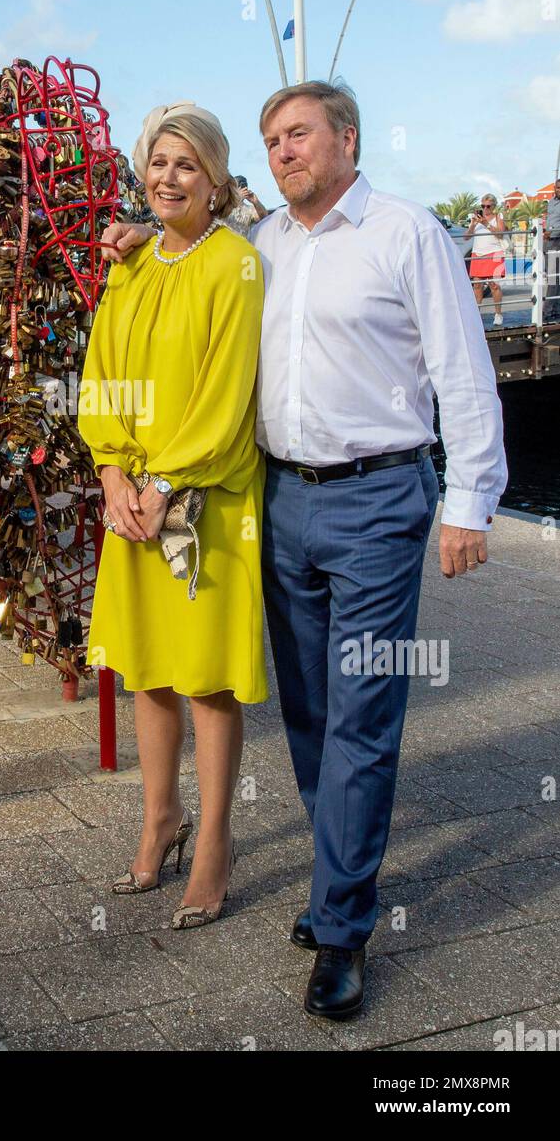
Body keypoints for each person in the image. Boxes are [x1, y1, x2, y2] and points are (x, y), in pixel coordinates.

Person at [100, 81, 507, 1019]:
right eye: (272, 140)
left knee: (364, 713)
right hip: (278, 501)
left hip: (378, 499)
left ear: (347, 139)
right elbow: (183, 236)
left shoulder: (406, 234)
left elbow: (461, 371)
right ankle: (338, 883)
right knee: (313, 715)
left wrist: (470, 503)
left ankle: (343, 927)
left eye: (299, 135)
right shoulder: (262, 246)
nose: (284, 151)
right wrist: (128, 228)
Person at [78, 102, 266, 930]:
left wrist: (165, 483)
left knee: (208, 676)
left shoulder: (236, 265)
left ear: (216, 179)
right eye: (158, 163)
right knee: (146, 664)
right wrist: (113, 473)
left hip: (209, 500)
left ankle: (216, 837)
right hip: (133, 501)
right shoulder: (133, 265)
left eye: (186, 165)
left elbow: (230, 392)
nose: (168, 177)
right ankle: (161, 816)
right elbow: (103, 372)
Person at [464, 195, 507, 326]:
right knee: (477, 285)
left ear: (494, 206)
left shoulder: (498, 217)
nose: (485, 209)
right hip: (478, 254)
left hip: (493, 254)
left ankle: (498, 314)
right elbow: (466, 237)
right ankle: (477, 314)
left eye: (488, 206)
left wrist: (486, 224)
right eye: (483, 206)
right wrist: (473, 224)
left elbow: (500, 234)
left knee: (494, 285)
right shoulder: (477, 220)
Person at [545, 179, 560, 322]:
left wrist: (553, 231)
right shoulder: (551, 203)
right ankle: (552, 310)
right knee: (552, 277)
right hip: (549, 241)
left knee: (555, 277)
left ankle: (550, 310)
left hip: (558, 239)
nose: (559, 190)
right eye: (557, 188)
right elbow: (549, 220)